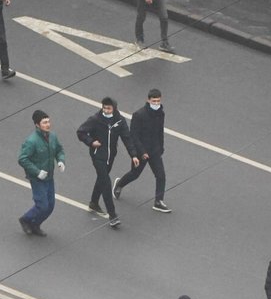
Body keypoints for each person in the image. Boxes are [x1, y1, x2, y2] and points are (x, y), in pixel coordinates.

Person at [77, 97, 138, 228]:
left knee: (101, 179)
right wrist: (91, 142)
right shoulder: (95, 119)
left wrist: (133, 155)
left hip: (110, 156)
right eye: (104, 107)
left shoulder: (120, 121)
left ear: (114, 108)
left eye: (109, 108)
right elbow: (81, 132)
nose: (106, 110)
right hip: (98, 155)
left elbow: (127, 138)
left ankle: (93, 202)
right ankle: (113, 215)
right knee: (106, 182)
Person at [114, 89, 170, 213]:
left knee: (161, 175)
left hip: (155, 150)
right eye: (154, 101)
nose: (156, 103)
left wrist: (161, 147)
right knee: (135, 174)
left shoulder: (161, 113)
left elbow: (160, 131)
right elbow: (134, 136)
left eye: (158, 101)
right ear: (148, 100)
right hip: (141, 151)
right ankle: (120, 184)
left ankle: (158, 201)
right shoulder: (139, 115)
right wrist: (142, 152)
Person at [18, 110, 66, 237]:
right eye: (44, 122)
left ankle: (35, 224)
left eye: (48, 121)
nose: (48, 124)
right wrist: (37, 172)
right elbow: (22, 159)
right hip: (37, 179)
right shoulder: (31, 141)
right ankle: (26, 219)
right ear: (37, 125)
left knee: (50, 206)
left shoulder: (53, 137)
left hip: (49, 177)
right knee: (42, 205)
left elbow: (59, 150)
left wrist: (61, 161)